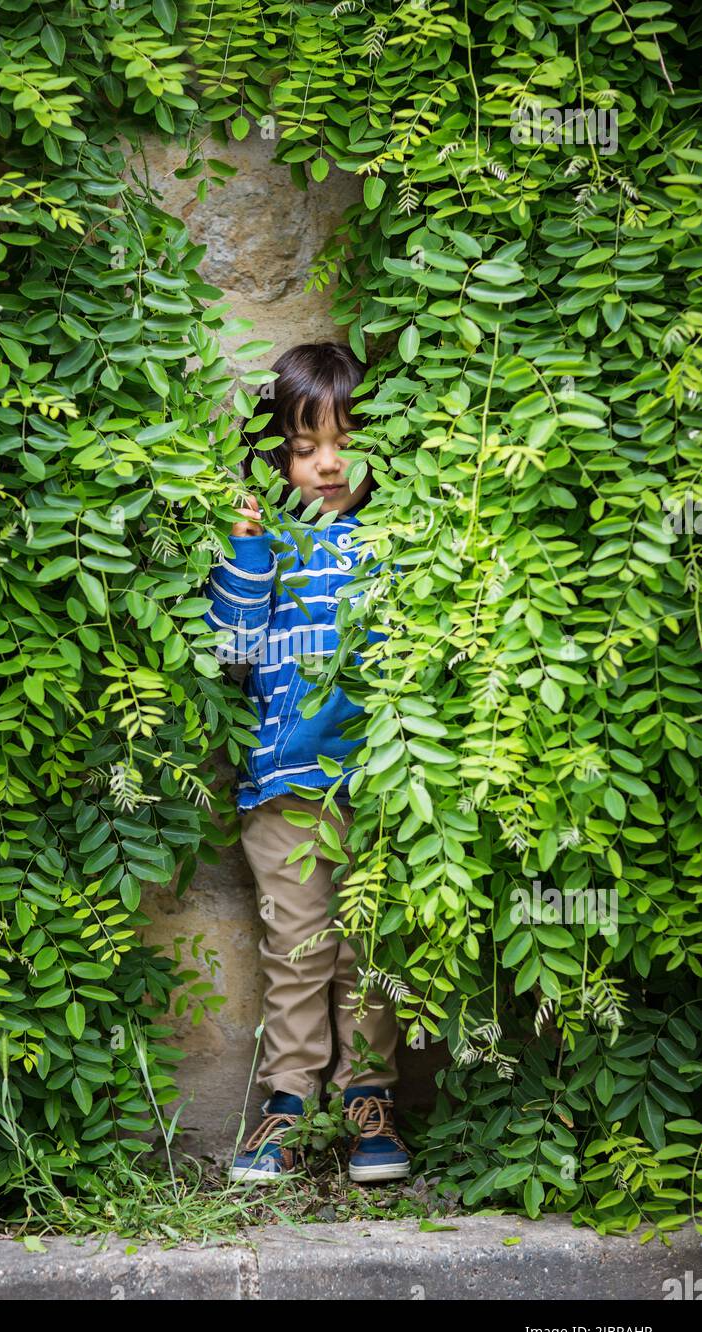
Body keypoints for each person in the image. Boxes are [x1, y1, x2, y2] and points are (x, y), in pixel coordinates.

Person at [202, 341, 411, 1185]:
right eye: (303, 446)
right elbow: (234, 649)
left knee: (369, 951)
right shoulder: (271, 549)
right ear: (277, 454)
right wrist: (248, 550)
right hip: (287, 792)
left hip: (380, 787)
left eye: (346, 440)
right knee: (298, 953)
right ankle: (287, 1104)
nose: (328, 465)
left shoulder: (394, 540)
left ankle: (369, 1102)